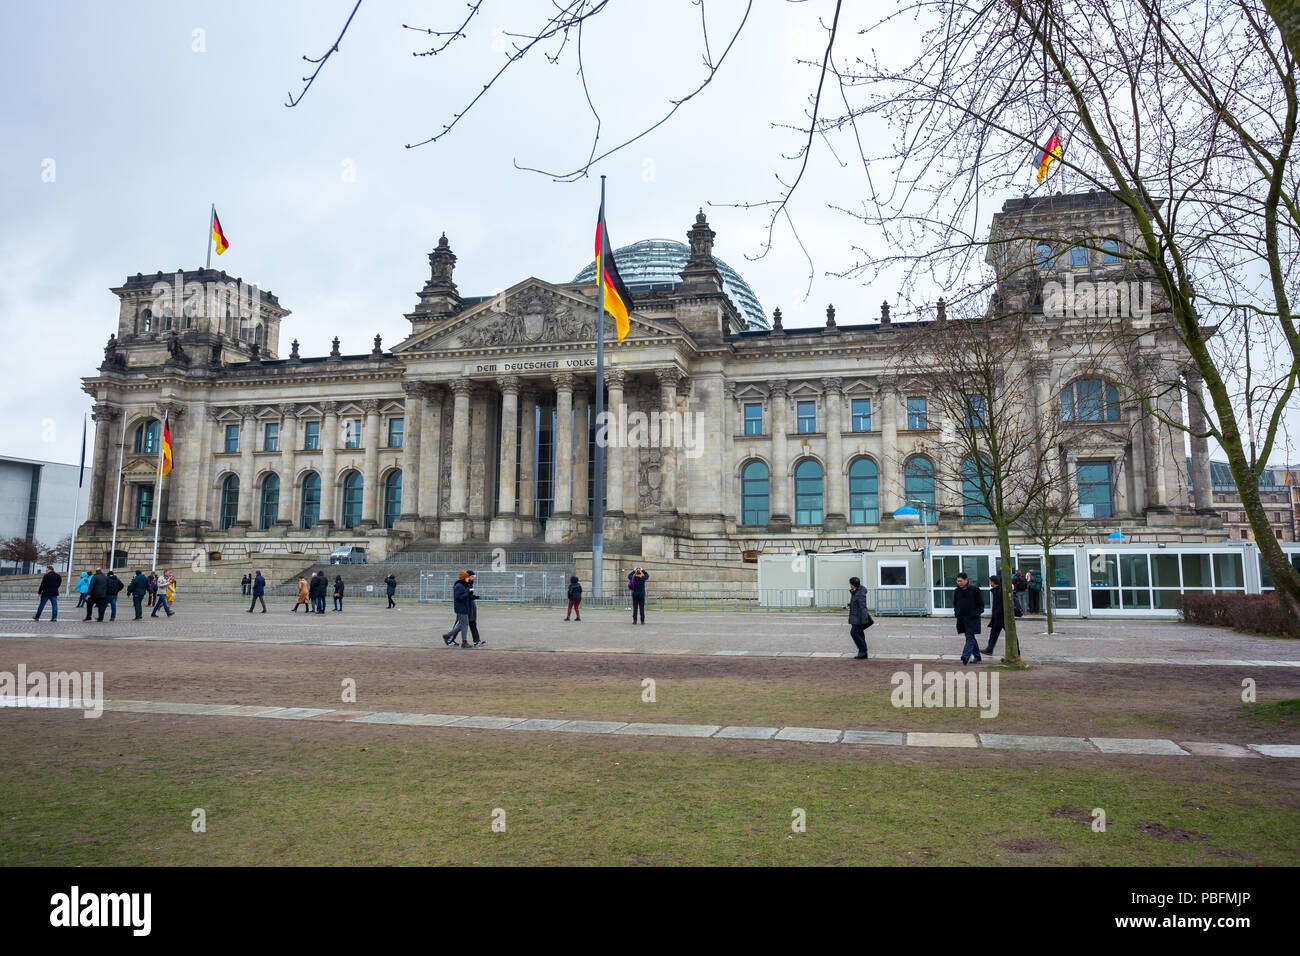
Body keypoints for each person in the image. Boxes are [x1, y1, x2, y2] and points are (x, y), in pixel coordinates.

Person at [953, 571, 984, 665]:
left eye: (961, 581)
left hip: (972, 618)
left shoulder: (974, 590)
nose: (959, 583)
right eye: (958, 581)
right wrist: (956, 612)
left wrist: (975, 613)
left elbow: (981, 604)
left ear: (966, 580)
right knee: (970, 637)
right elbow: (955, 603)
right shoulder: (957, 591)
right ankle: (977, 656)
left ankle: (965, 656)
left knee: (969, 637)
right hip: (962, 618)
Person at [442, 570, 475, 647]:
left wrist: (472, 595)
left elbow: (465, 596)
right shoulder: (459, 586)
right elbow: (458, 597)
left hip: (464, 608)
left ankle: (447, 636)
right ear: (464, 578)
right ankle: (464, 642)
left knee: (462, 625)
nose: (468, 578)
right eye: (467, 577)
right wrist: (467, 593)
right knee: (465, 625)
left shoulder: (464, 585)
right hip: (461, 608)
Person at [843, 575, 873, 659]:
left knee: (854, 633)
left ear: (853, 585)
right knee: (859, 634)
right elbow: (856, 603)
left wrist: (864, 620)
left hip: (858, 618)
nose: (849, 585)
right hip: (855, 617)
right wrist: (849, 605)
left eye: (850, 584)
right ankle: (863, 653)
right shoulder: (856, 591)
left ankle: (863, 651)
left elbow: (862, 606)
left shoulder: (859, 593)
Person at [983, 574, 1005, 656]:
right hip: (997, 617)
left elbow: (1000, 605)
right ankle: (989, 649)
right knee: (993, 633)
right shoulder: (996, 590)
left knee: (1010, 634)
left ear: (993, 582)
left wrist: (997, 614)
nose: (989, 582)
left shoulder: (1000, 591)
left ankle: (1016, 651)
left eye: (990, 581)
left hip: (1001, 617)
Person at [466, 570, 485, 646]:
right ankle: (449, 638)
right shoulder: (465, 584)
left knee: (472, 623)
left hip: (471, 605)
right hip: (466, 607)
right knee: (459, 625)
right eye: (472, 576)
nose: (473, 578)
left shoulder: (470, 584)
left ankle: (477, 641)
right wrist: (476, 597)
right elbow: (467, 596)